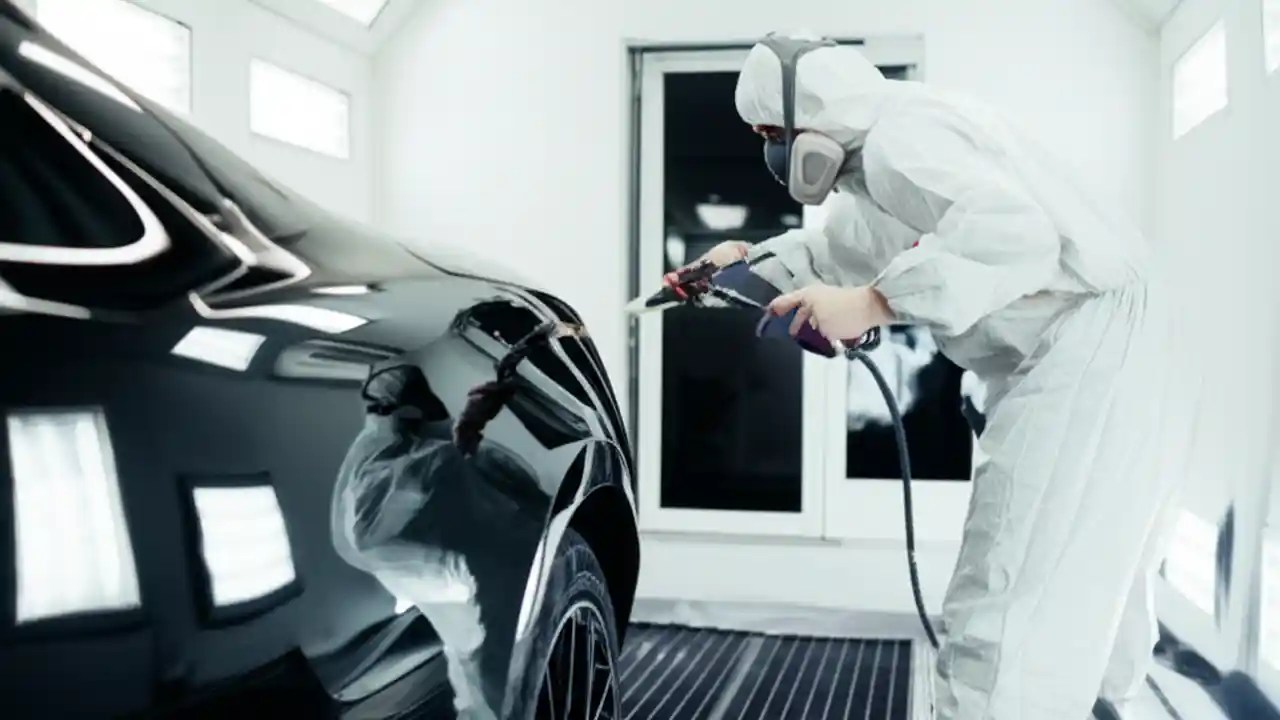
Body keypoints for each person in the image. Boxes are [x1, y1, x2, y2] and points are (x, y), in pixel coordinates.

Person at [691, 34, 1186, 719]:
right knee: (1091, 569)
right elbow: (841, 249)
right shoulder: (879, 157)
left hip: (1094, 344)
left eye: (773, 133)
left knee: (1012, 590)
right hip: (1105, 339)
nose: (774, 155)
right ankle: (1102, 704)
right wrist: (737, 268)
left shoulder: (902, 138)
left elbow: (1014, 234)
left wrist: (872, 303)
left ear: (811, 116)